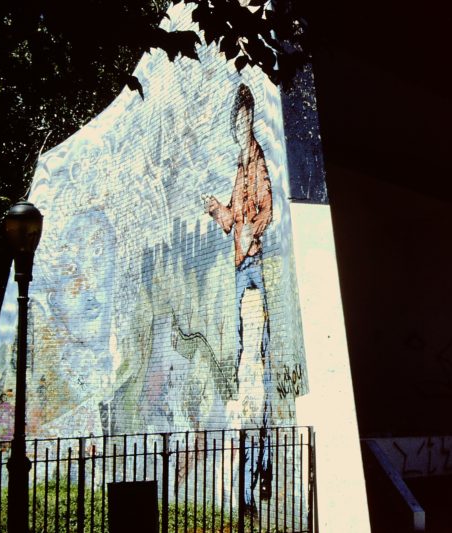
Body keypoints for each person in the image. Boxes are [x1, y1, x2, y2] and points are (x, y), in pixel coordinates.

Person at [205, 83, 273, 508]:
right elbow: (233, 219)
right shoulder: (237, 166)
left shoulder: (258, 161)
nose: (241, 126)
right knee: (245, 357)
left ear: (251, 121)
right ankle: (251, 484)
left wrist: (252, 239)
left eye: (245, 119)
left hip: (253, 266)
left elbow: (266, 209)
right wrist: (217, 210)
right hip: (237, 269)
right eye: (237, 121)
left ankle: (260, 471)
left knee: (258, 358)